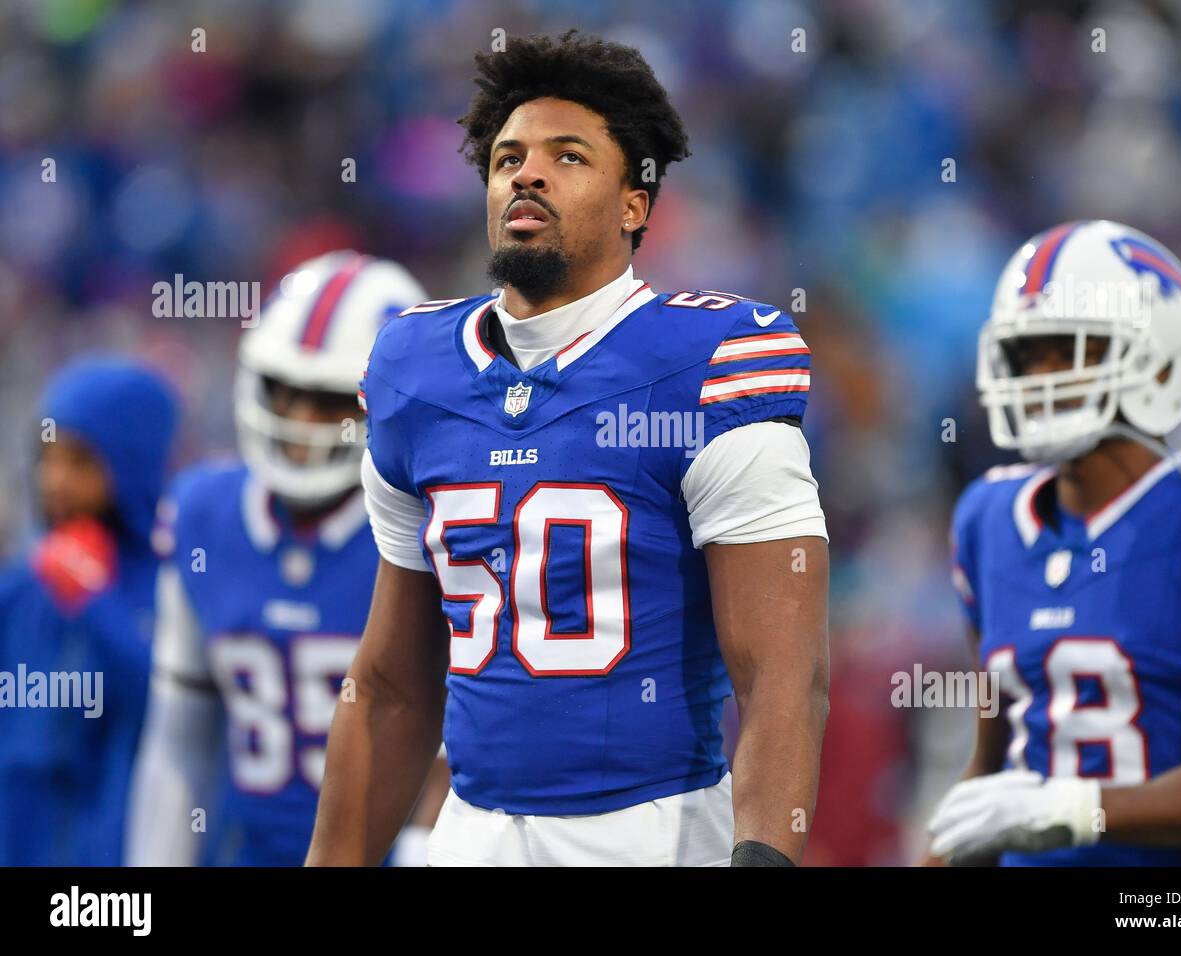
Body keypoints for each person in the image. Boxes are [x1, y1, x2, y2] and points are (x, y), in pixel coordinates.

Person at [307, 30, 830, 867]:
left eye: (569, 156)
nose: (527, 172)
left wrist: (764, 855)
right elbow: (393, 686)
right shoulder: (414, 372)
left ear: (635, 204)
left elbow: (781, 675)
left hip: (650, 830)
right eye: (507, 156)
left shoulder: (711, 359)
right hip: (471, 834)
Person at [927, 219, 1181, 866]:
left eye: (1067, 351)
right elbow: (995, 774)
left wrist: (1080, 809)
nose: (1039, 378)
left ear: (1156, 359)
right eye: (1027, 355)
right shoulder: (987, 519)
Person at [126, 252, 443, 866]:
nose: (301, 423)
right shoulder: (204, 515)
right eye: (285, 391)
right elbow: (178, 744)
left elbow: (456, 757)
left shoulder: (433, 526)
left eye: (329, 400)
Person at [0, 358, 179, 865]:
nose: (55, 479)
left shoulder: (170, 585)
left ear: (134, 463)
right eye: (46, 458)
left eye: (80, 461)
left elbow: (172, 714)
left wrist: (95, 602)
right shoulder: (21, 588)